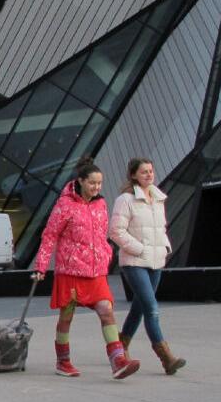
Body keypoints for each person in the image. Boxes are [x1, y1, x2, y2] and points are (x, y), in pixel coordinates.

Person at [33, 158, 140, 379]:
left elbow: (102, 234)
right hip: (71, 271)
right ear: (80, 181)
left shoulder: (100, 204)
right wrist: (41, 267)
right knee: (67, 316)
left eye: (99, 183)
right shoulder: (64, 205)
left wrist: (106, 254)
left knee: (106, 311)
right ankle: (63, 361)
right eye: (92, 183)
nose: (97, 187)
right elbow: (50, 235)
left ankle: (118, 360)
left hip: (96, 272)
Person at [110, 157, 185, 375]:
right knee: (151, 308)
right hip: (135, 261)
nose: (149, 175)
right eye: (144, 172)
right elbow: (116, 231)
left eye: (151, 171)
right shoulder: (126, 199)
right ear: (133, 175)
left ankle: (121, 346)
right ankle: (166, 358)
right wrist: (139, 248)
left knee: (140, 307)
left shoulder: (158, 198)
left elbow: (161, 229)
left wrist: (165, 248)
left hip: (156, 261)